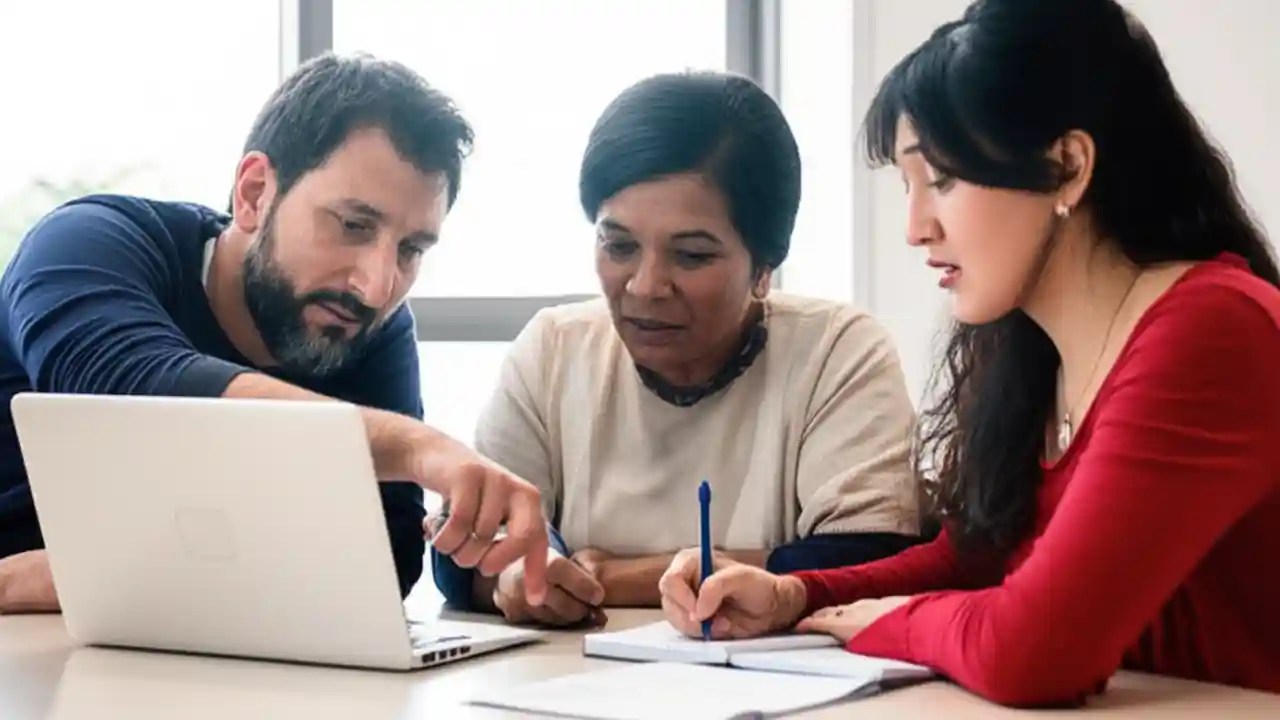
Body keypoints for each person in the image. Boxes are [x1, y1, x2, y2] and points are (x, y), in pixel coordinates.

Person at [657, 0, 1280, 706]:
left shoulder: (1212, 329)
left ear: (1067, 167)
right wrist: (796, 596)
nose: (915, 229)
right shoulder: (1036, 345)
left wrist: (892, 621)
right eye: (906, 187)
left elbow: (1033, 652)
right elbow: (979, 555)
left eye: (943, 179)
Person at [0, 53, 551, 614]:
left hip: (188, 651)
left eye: (411, 250)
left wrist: (112, 573)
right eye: (353, 226)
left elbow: (386, 557)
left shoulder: (366, 325)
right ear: (255, 192)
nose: (376, 286)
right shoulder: (85, 243)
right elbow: (128, 388)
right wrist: (417, 447)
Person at [433, 71, 923, 627]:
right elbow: (462, 554)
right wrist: (512, 579)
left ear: (764, 268)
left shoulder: (838, 352)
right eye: (618, 245)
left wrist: (613, 575)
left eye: (690, 256)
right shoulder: (553, 349)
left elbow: (869, 559)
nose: (645, 286)